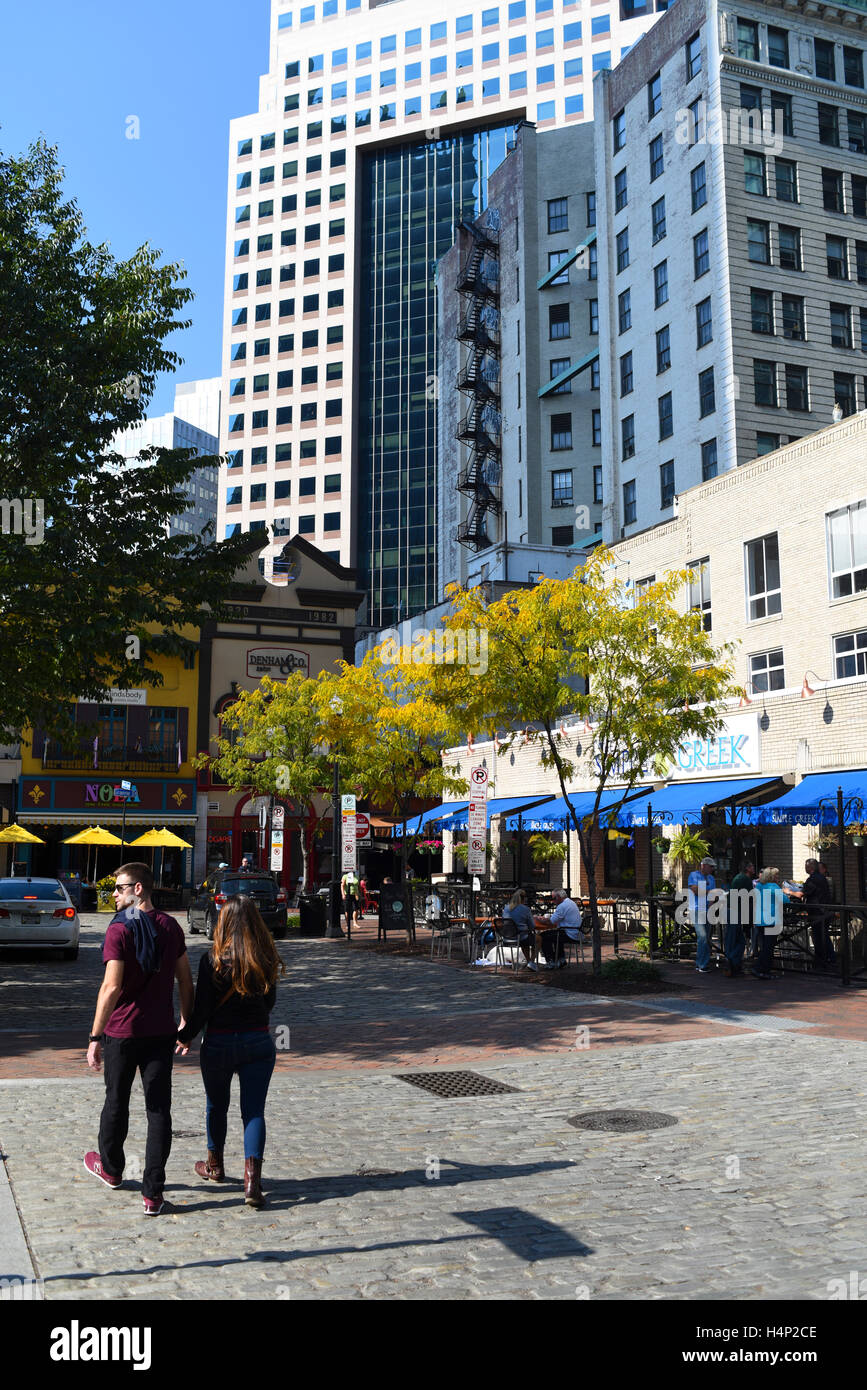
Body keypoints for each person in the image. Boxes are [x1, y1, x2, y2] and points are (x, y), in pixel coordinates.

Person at [84, 862, 193, 1216]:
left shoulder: (119, 930)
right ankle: (152, 1194)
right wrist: (185, 1022)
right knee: (158, 1110)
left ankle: (112, 1169)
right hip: (160, 1032)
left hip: (121, 1032)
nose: (114, 894)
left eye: (120, 888)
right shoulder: (171, 927)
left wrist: (94, 1035)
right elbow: (185, 981)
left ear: (139, 889)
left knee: (116, 1102)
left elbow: (111, 987)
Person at [176, 896, 284, 1208]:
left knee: (216, 1106)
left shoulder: (212, 960)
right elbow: (269, 1004)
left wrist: (185, 1036)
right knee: (254, 1112)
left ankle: (215, 1165)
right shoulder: (265, 957)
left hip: (219, 1043)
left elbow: (203, 1008)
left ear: (223, 922)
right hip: (258, 1042)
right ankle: (252, 1182)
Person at [790, 859, 834, 964]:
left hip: (818, 912)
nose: (805, 868)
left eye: (806, 866)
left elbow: (802, 894)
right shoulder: (821, 878)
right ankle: (827, 959)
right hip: (823, 911)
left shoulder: (813, 879)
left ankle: (824, 960)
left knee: (819, 936)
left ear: (811, 867)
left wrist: (788, 891)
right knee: (823, 935)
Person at [503, 888, 558, 969]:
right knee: (539, 938)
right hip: (520, 937)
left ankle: (529, 962)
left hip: (507, 938)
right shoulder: (525, 909)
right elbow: (532, 926)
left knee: (525, 938)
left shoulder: (506, 908)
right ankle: (531, 961)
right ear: (523, 898)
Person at [534, 890, 586, 966]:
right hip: (578, 932)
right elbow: (557, 919)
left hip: (570, 933)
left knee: (543, 936)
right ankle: (560, 959)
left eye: (554, 898)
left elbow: (551, 921)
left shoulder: (562, 906)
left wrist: (538, 919)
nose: (553, 901)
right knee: (555, 934)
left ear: (559, 897)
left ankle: (550, 961)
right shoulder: (571, 902)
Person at [751, 867, 783, 979]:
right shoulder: (773, 886)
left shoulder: (759, 886)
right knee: (768, 947)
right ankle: (760, 969)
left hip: (760, 920)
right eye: (776, 875)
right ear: (772, 877)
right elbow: (785, 900)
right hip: (771, 920)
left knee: (765, 947)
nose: (778, 877)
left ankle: (763, 970)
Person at [724, 861, 754, 977]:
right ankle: (731, 962)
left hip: (732, 910)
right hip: (735, 911)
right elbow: (750, 898)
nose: (753, 868)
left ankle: (733, 963)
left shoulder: (738, 877)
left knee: (735, 939)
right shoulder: (746, 879)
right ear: (747, 869)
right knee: (736, 940)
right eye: (752, 866)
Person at [687, 856, 717, 973]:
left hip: (707, 910)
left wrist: (711, 907)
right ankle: (701, 964)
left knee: (707, 938)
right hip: (696, 909)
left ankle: (704, 962)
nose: (712, 869)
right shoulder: (694, 875)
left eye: (713, 867)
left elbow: (712, 896)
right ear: (703, 866)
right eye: (711, 867)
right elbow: (695, 890)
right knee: (702, 937)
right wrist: (709, 892)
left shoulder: (711, 878)